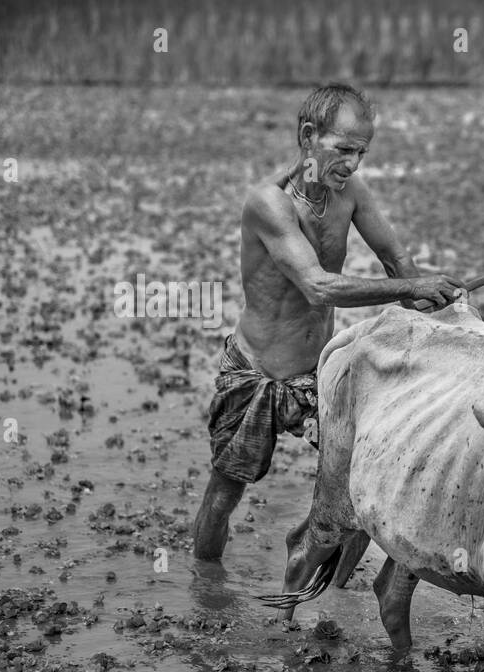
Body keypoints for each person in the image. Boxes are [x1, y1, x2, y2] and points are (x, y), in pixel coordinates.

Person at [193, 83, 463, 561]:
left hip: (319, 373)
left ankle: (312, 561)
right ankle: (205, 585)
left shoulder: (351, 192)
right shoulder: (269, 203)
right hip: (257, 374)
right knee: (224, 494)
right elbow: (317, 285)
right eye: (344, 150)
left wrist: (444, 313)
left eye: (361, 152)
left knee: (358, 484)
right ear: (308, 136)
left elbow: (397, 260)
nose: (354, 164)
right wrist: (409, 290)